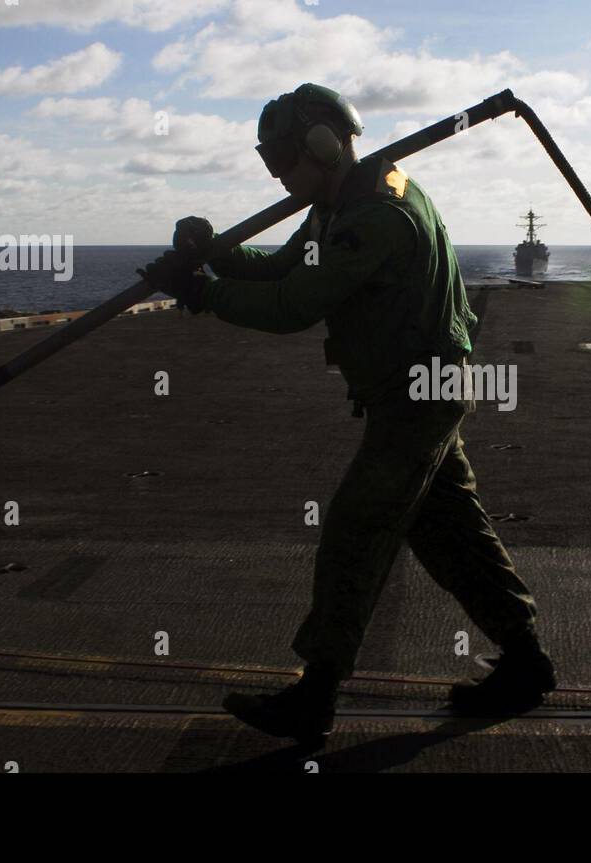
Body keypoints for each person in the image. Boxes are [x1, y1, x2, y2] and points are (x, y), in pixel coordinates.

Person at [140, 83, 554, 747]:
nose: (277, 174)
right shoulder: (340, 203)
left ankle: (317, 693)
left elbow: (291, 304)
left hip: (422, 391)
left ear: (323, 144)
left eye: (282, 159)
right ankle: (527, 663)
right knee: (451, 533)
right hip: (412, 391)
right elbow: (281, 267)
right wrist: (213, 253)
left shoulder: (375, 215)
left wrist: (200, 293)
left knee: (356, 531)